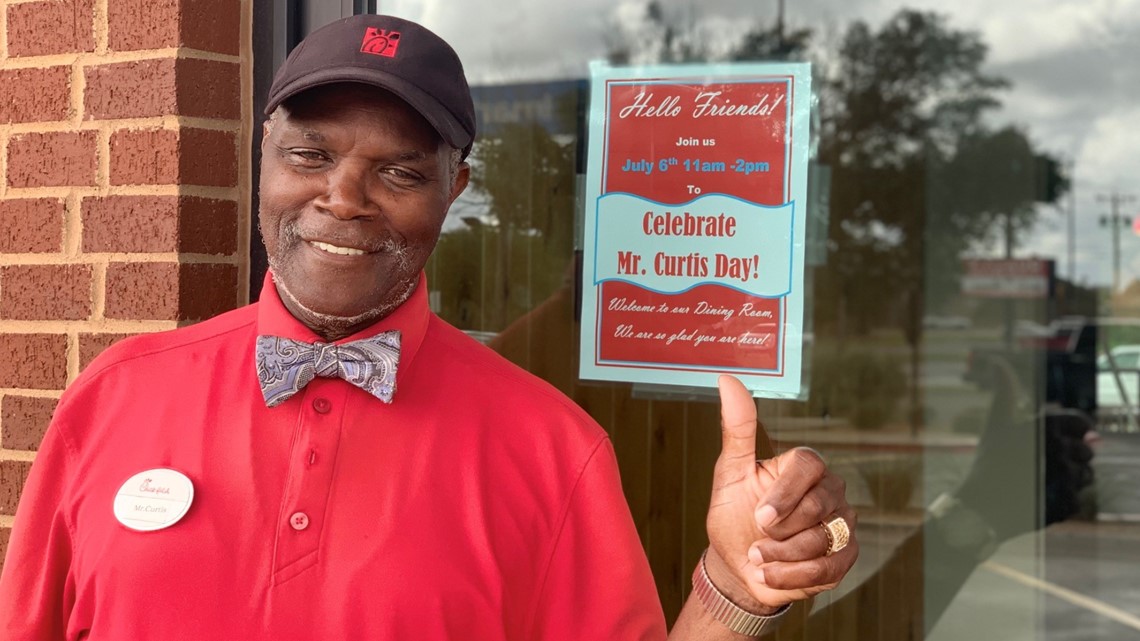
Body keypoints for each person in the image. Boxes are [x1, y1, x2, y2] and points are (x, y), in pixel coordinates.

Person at [0, 14, 857, 640]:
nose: (343, 197)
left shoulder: (552, 450)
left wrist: (732, 594)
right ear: (263, 154)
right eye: (310, 154)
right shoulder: (111, 399)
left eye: (401, 172)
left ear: (455, 188)